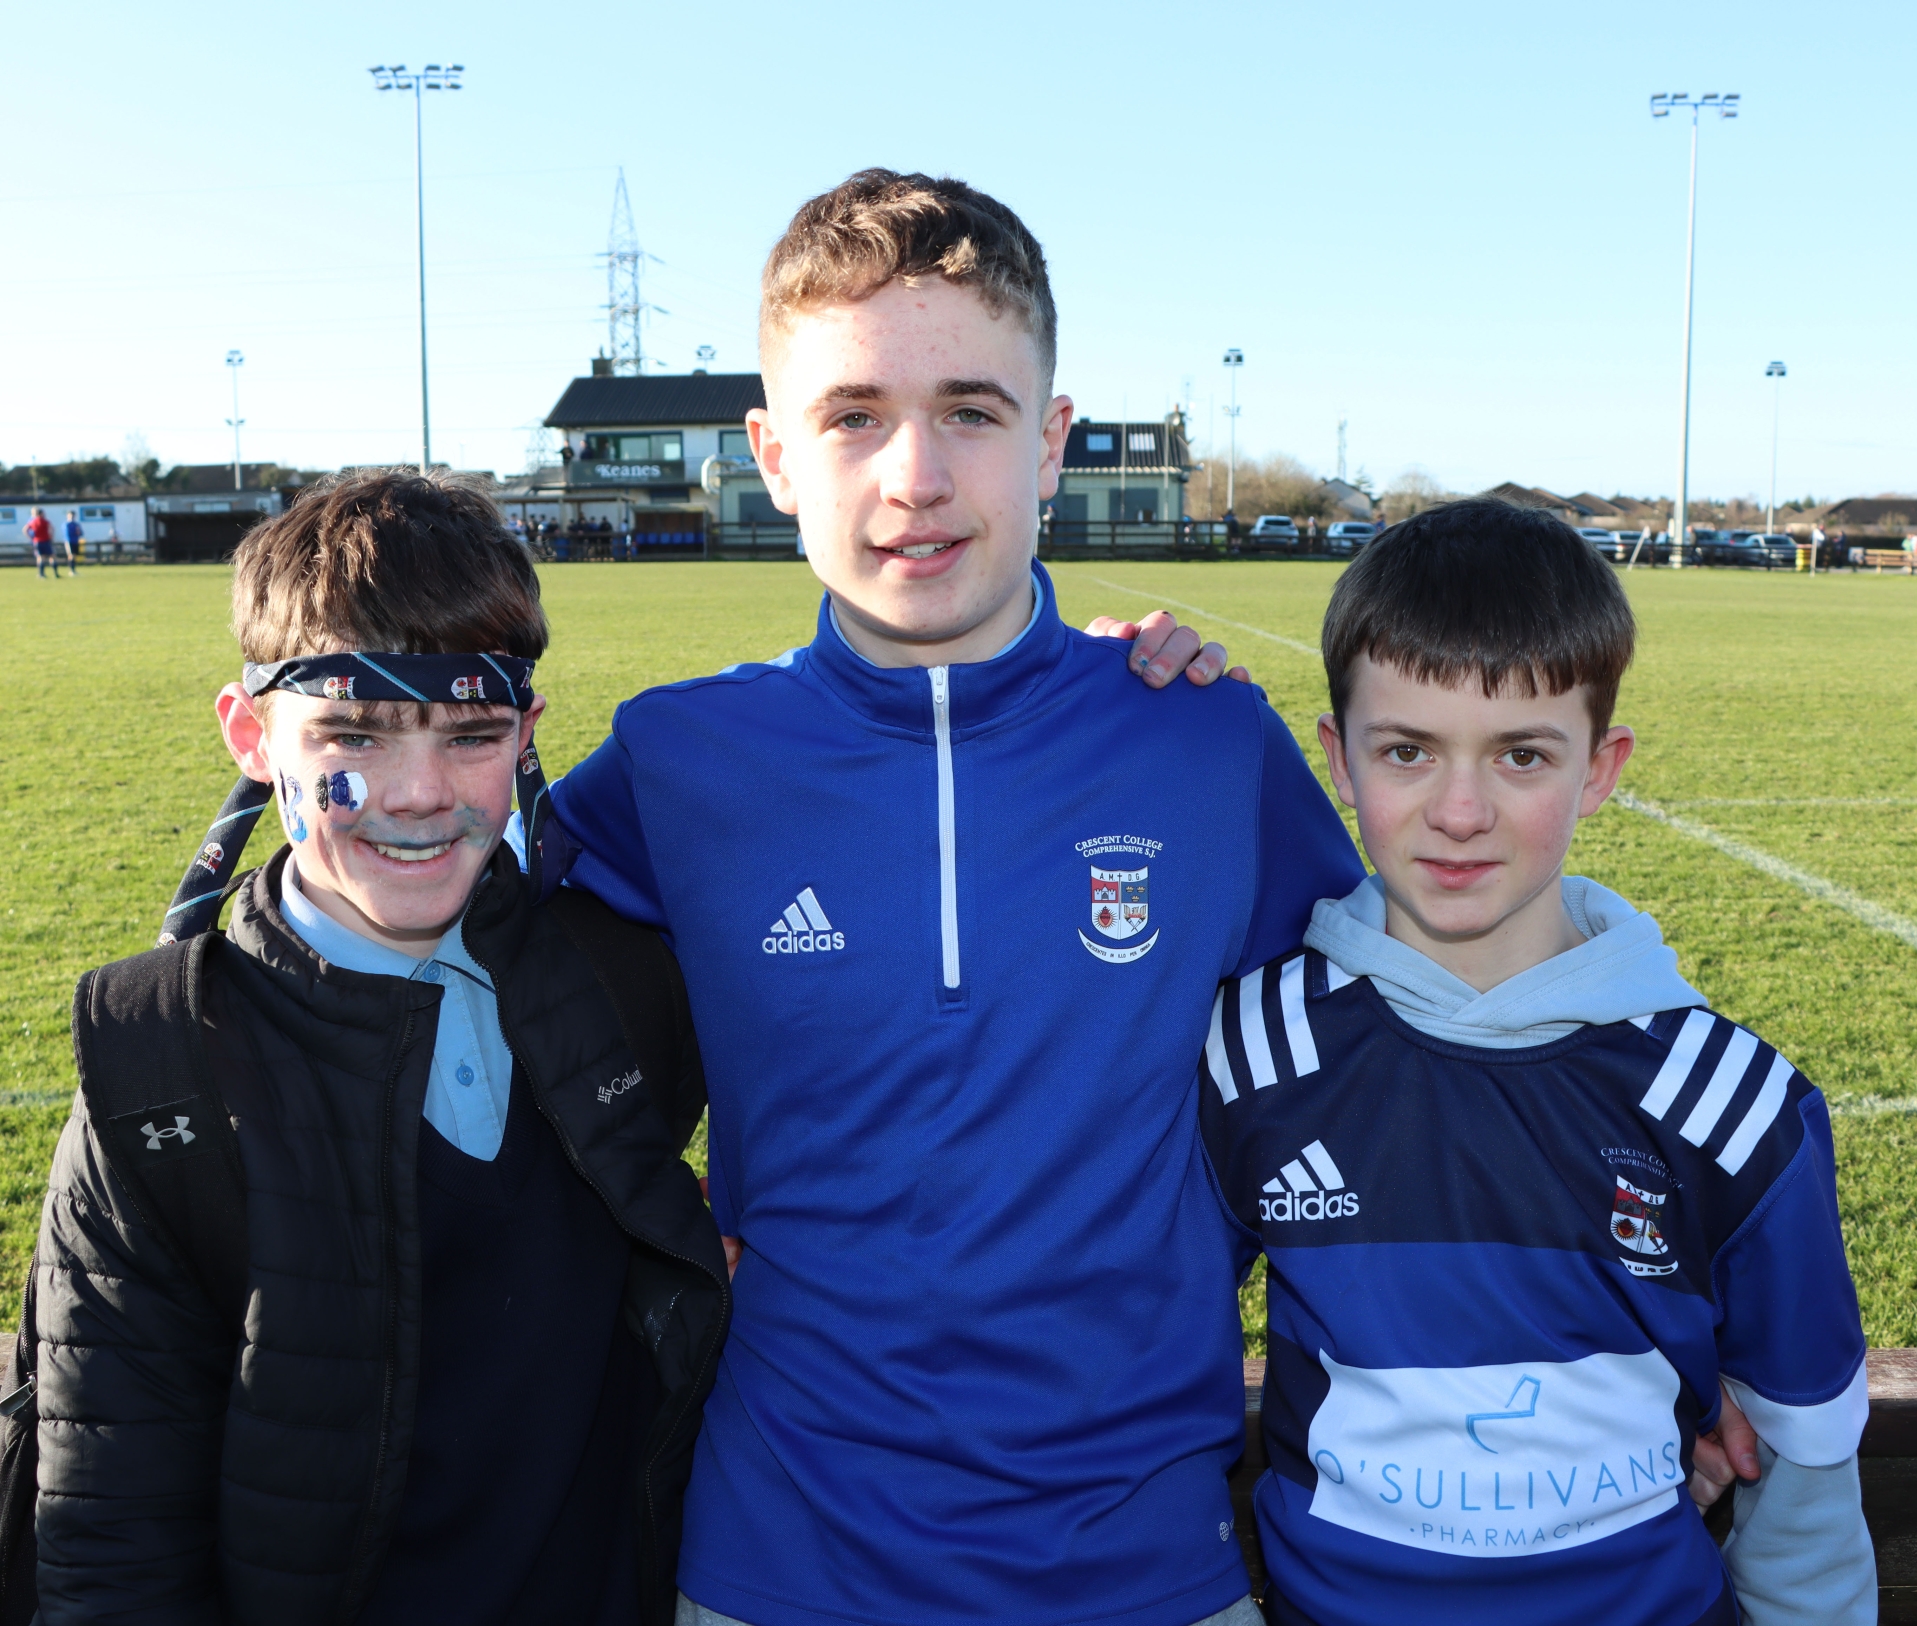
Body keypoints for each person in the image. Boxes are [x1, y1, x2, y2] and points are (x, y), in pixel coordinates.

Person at [543, 169, 1365, 1626]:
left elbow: (1411, 1055)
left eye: (973, 412)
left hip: (1145, 1562)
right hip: (773, 1559)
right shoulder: (677, 758)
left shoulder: (1203, 738)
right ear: (773, 454)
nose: (913, 474)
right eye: (853, 414)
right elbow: (436, 933)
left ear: (1050, 444)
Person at [27, 468, 729, 1625]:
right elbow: (112, 1542)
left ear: (527, 734)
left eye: (470, 735)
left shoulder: (627, 978)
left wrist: (1102, 688)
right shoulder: (161, 1078)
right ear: (253, 733)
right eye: (351, 730)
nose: (416, 794)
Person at [1203, 498, 1873, 1626]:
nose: (1459, 812)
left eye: (1521, 755)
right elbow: (1147, 1360)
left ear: (1600, 768)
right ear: (1338, 759)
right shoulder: (1251, 1053)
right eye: (1407, 751)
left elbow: (1803, 1460)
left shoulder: (1730, 1102)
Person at [26, 507, 57, 578]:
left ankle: (41, 574)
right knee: (52, 556)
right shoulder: (45, 521)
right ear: (41, 514)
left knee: (40, 557)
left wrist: (31, 537)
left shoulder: (32, 522)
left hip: (37, 541)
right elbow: (52, 529)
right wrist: (51, 537)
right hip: (45, 541)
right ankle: (55, 573)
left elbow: (25, 529)